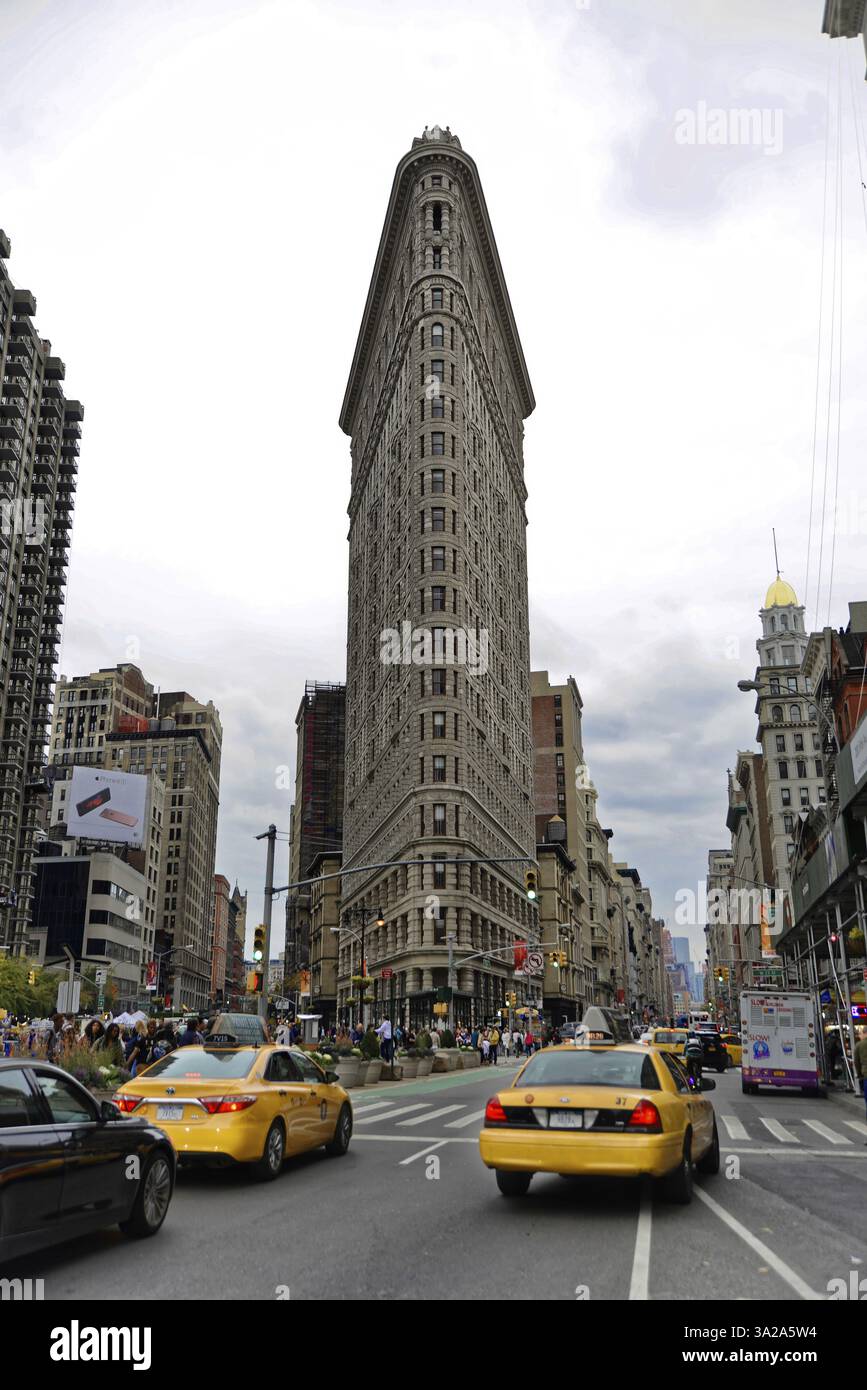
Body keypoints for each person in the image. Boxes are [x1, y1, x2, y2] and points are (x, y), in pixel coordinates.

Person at [854, 1029, 867, 1132]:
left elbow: (856, 1062)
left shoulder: (859, 1045)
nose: (859, 1036)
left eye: (860, 1034)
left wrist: (859, 1075)